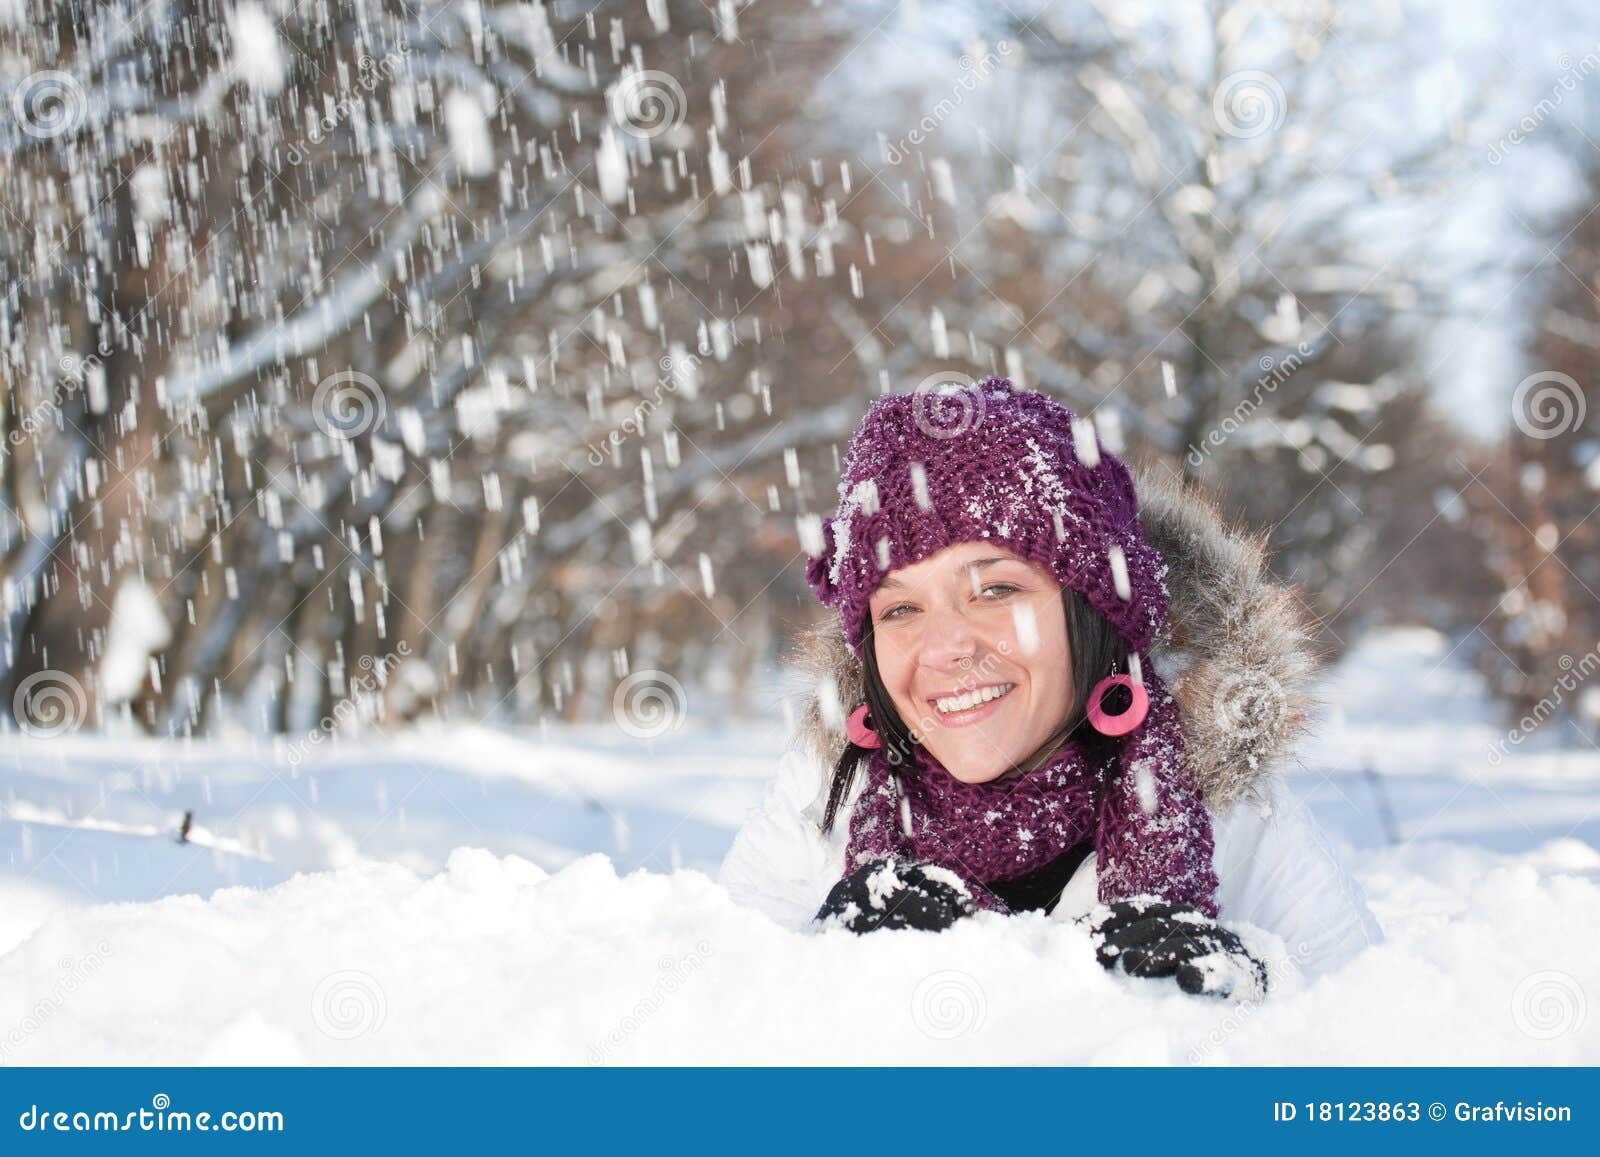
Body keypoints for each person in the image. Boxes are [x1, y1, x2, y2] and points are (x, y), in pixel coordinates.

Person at [717, 377, 1382, 1000]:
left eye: (996, 589)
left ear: (1094, 611)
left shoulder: (1230, 808)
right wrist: (835, 986)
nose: (945, 647)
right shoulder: (821, 799)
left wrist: (1241, 1018)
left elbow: (1381, 1063)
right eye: (899, 609)